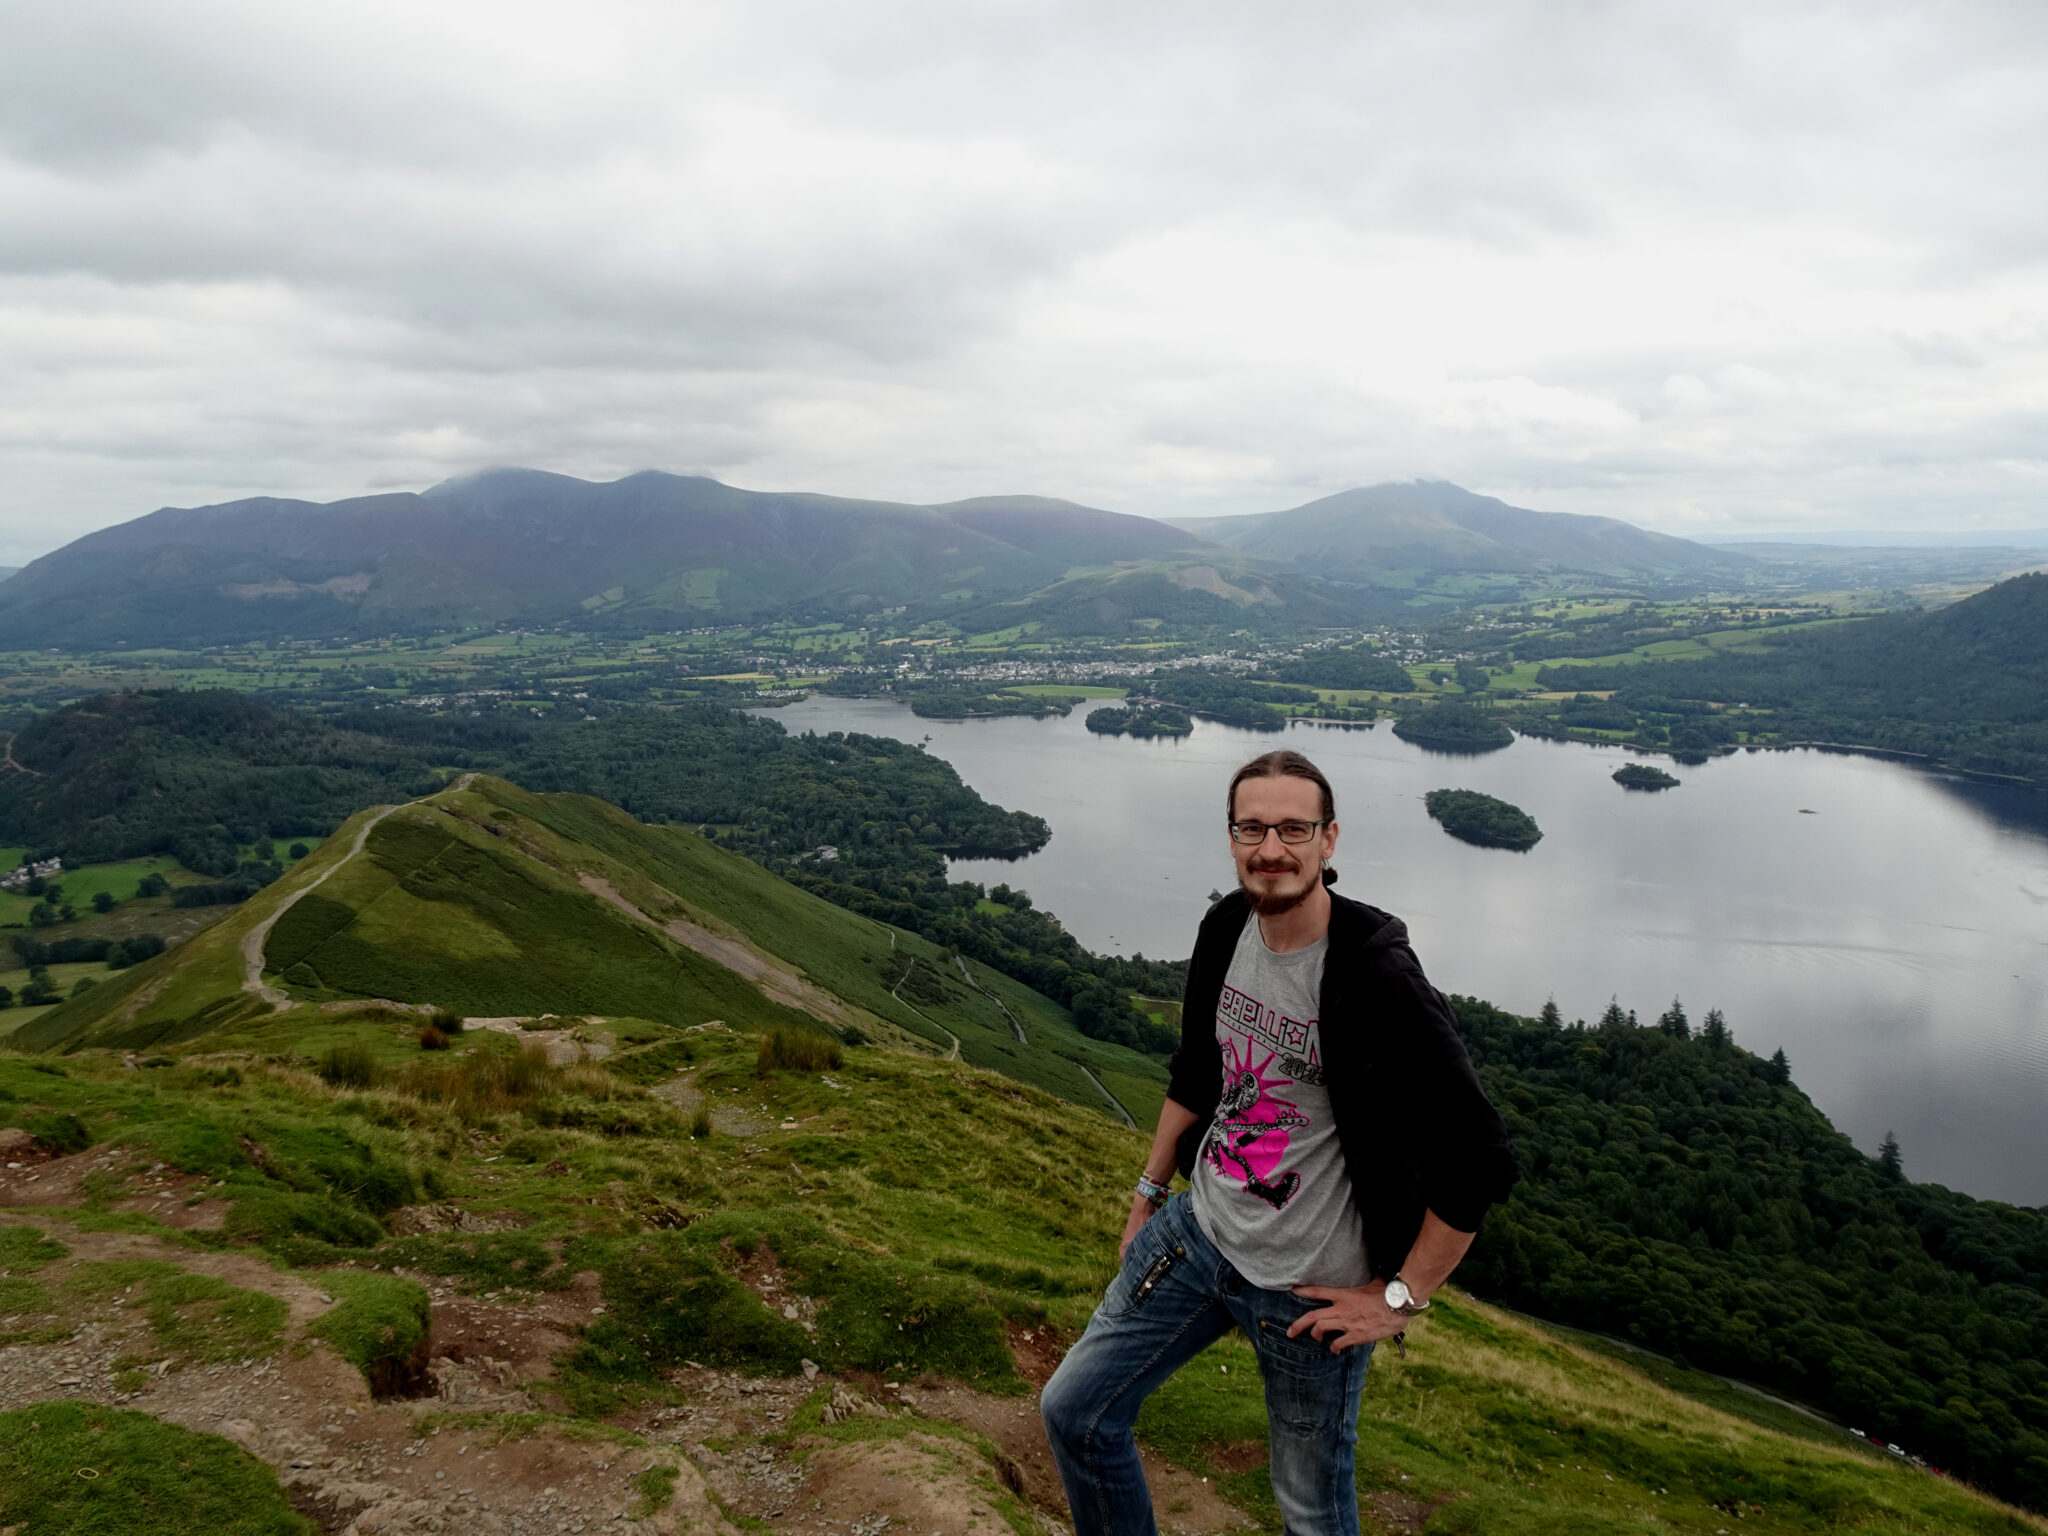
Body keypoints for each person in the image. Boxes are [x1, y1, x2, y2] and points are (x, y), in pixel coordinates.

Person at [1040, 749, 1519, 1536]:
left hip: (1308, 1294)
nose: (1272, 849)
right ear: (1231, 838)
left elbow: (1480, 1154)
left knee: (1310, 1512)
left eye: (1294, 829)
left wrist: (1400, 1299)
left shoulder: (1377, 976)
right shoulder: (1227, 925)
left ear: (1330, 839)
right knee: (1075, 1411)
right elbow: (1198, 1072)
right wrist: (1148, 1195)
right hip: (1199, 1232)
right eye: (1252, 829)